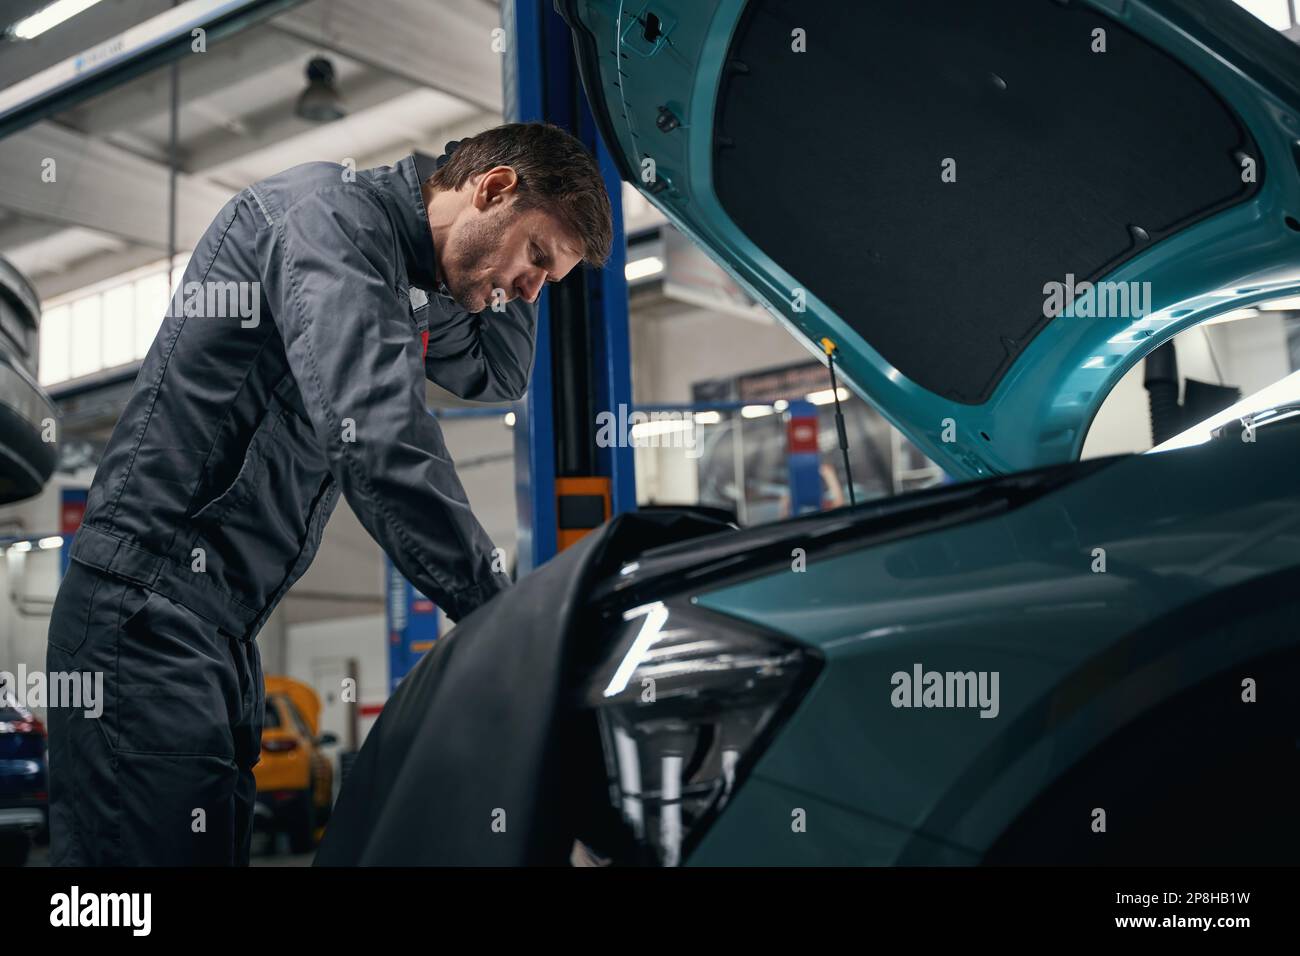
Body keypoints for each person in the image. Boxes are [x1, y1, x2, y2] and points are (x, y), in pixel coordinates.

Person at [43, 122, 613, 865]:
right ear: (493, 187)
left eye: (550, 279)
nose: (534, 288)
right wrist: (507, 621)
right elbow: (378, 435)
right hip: (143, 611)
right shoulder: (328, 221)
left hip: (219, 630)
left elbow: (500, 373)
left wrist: (510, 271)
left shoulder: (408, 277)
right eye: (537, 255)